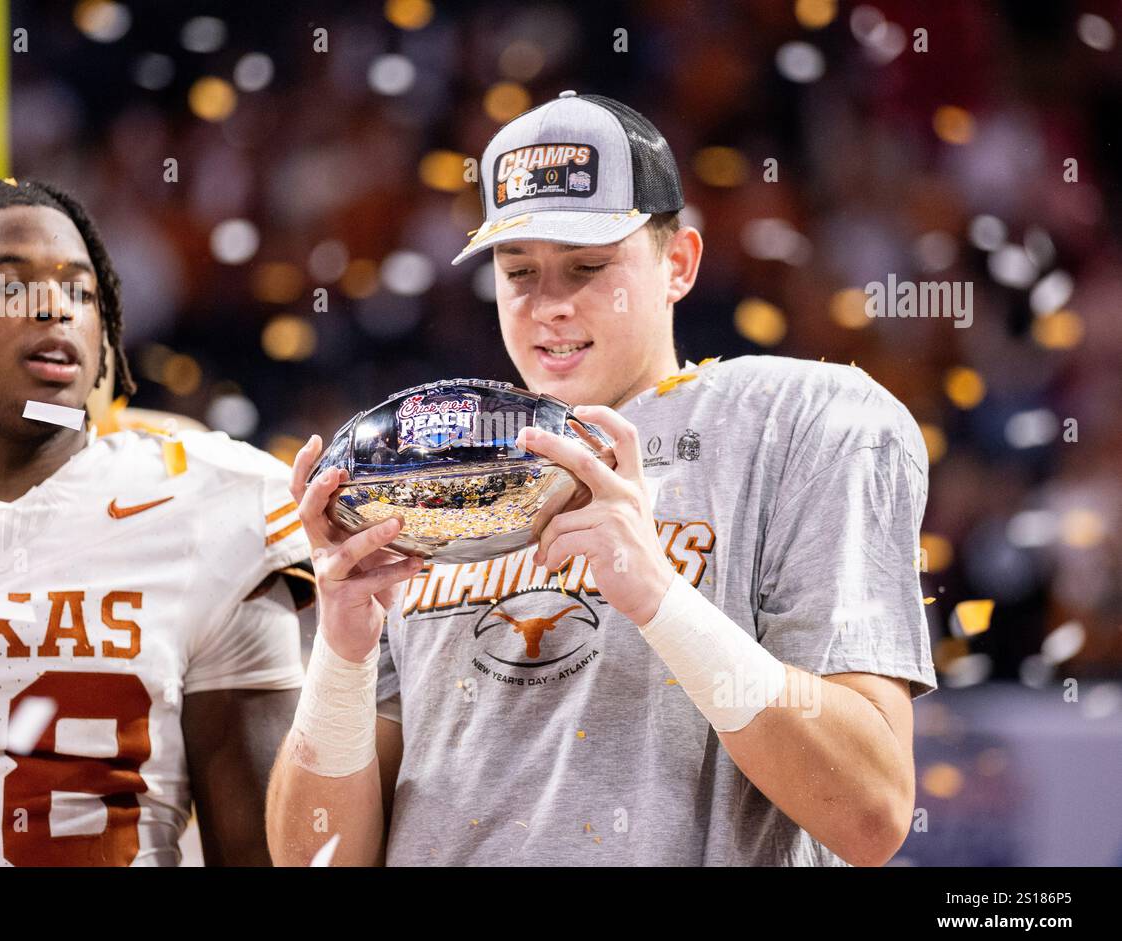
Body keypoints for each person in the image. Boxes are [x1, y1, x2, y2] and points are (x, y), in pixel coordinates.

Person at [267, 92, 935, 866]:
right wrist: (342, 656)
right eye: (519, 273)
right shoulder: (426, 475)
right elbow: (317, 860)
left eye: (587, 268)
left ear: (679, 263)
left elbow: (871, 814)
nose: (549, 306)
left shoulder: (803, 419)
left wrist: (658, 598)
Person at [0, 175, 310, 865]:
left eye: (81, 290)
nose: (55, 306)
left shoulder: (210, 501)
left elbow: (265, 852)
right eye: (8, 283)